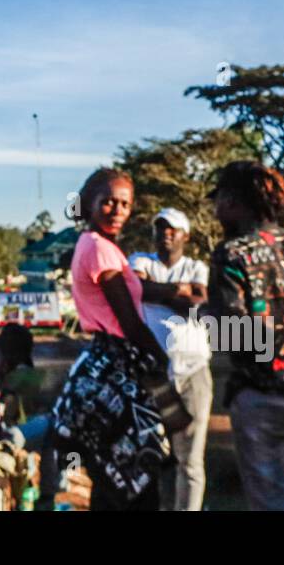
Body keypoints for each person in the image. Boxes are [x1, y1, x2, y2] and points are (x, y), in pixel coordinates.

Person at [208, 161, 284, 511]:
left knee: (270, 500)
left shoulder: (232, 254)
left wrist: (207, 318)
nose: (215, 211)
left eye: (218, 201)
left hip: (261, 394)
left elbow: (234, 336)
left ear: (232, 200)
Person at [54, 168, 171, 511]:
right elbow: (131, 323)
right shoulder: (99, 249)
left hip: (107, 363)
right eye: (108, 202)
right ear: (89, 204)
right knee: (131, 479)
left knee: (113, 476)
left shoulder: (98, 246)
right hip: (117, 366)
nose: (117, 210)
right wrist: (161, 363)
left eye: (125, 204)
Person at [130, 207, 213, 511]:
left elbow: (197, 304)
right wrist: (176, 291)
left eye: (172, 229)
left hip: (193, 370)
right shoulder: (140, 260)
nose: (165, 234)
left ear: (185, 235)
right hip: (154, 373)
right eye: (160, 228)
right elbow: (136, 288)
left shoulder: (196, 267)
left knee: (190, 459)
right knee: (153, 453)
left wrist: (157, 293)